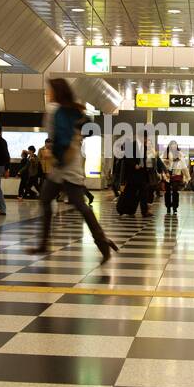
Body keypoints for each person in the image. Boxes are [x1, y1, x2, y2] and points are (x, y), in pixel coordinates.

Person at [33, 77, 117, 262]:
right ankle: (45, 243)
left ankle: (102, 242)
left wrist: (54, 155)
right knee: (50, 200)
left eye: (49, 91)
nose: (47, 94)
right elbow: (83, 127)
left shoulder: (56, 110)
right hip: (68, 162)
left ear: (57, 92)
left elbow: (62, 136)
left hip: (65, 164)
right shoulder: (70, 110)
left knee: (76, 205)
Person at [161, 139, 189, 213]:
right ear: (170, 146)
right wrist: (167, 161)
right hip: (167, 175)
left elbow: (184, 166)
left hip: (176, 175)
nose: (174, 146)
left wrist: (187, 176)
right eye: (172, 144)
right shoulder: (165, 154)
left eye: (175, 144)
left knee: (175, 191)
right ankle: (168, 206)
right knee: (167, 191)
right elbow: (161, 164)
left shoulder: (180, 154)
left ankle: (175, 207)